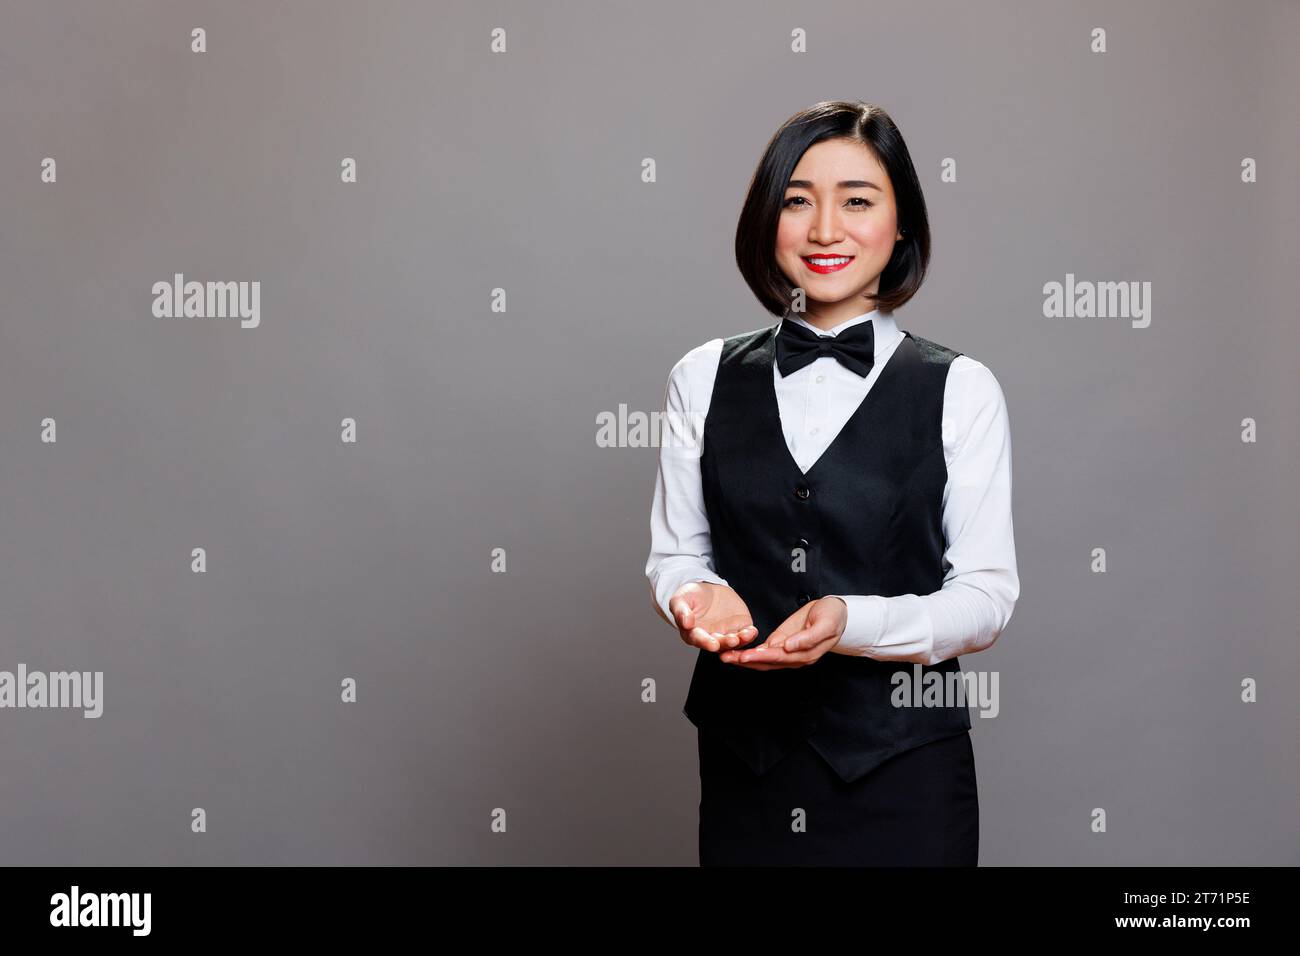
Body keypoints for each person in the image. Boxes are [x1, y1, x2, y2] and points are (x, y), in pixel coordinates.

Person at [644, 100, 1020, 866]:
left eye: (856, 200)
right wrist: (692, 598)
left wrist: (852, 621)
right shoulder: (701, 375)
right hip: (747, 768)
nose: (824, 230)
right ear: (766, 219)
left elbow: (985, 601)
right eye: (797, 200)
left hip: (906, 774)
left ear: (901, 223)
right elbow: (677, 556)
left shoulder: (963, 387)